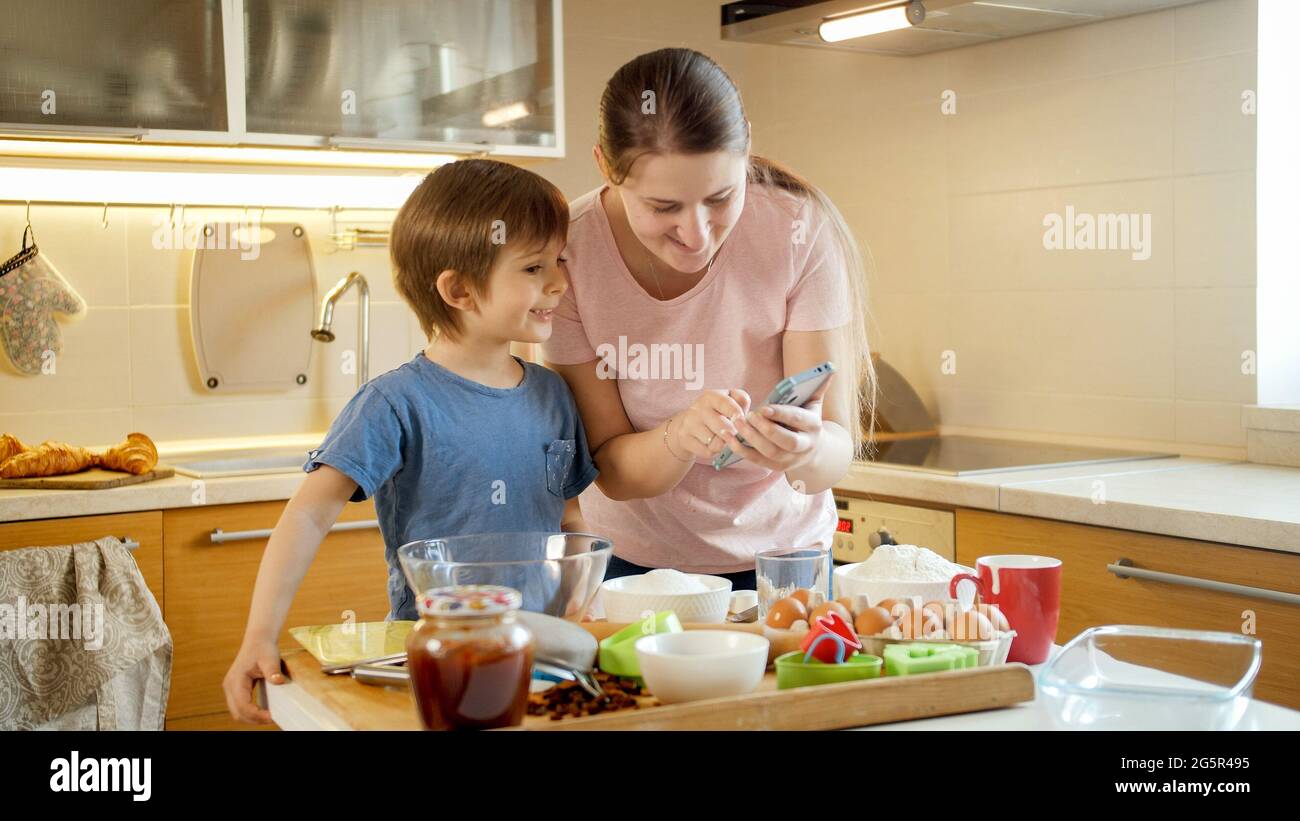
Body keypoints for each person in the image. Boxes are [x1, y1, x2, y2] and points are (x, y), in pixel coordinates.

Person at [223, 159, 598, 723]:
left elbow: (569, 521)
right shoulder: (394, 403)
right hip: (435, 660)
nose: (558, 282)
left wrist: (581, 598)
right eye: (533, 266)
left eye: (560, 260)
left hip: (545, 654)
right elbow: (306, 518)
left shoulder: (553, 394)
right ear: (459, 289)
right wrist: (259, 636)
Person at [543, 47, 876, 592]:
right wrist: (677, 439)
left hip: (788, 565)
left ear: (746, 143)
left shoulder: (797, 228)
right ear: (606, 165)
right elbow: (611, 471)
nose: (696, 235)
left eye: (721, 197)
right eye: (663, 207)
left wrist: (808, 448)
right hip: (634, 571)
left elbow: (835, 449)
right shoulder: (569, 251)